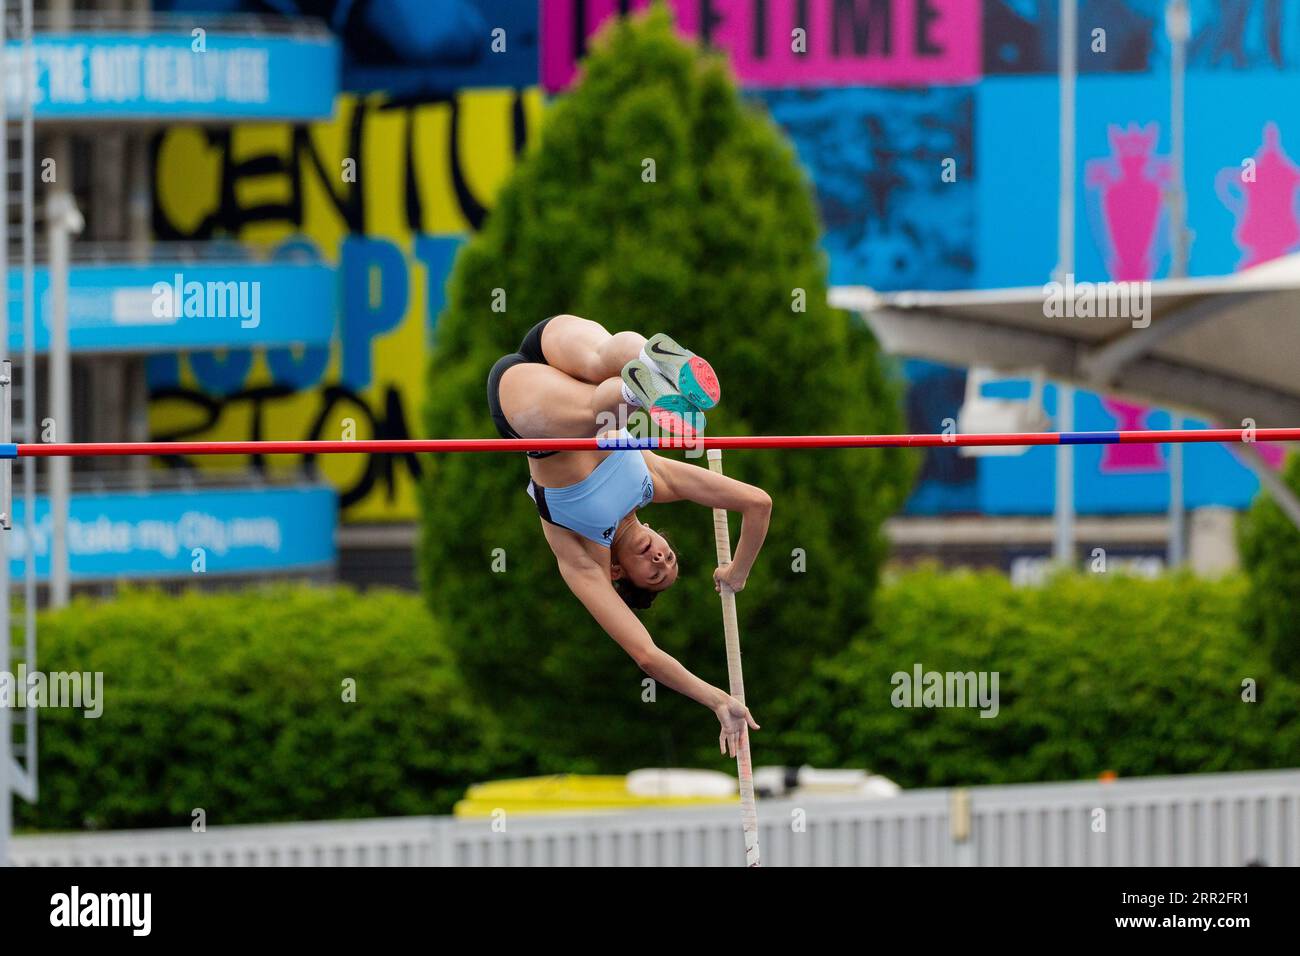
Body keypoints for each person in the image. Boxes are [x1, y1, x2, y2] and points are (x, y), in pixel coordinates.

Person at [486, 315, 771, 755]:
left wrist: (718, 700)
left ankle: (638, 387)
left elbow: (647, 655)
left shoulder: (584, 558)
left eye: (654, 574)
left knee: (593, 415)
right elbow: (758, 504)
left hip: (528, 407)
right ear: (662, 537)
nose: (660, 560)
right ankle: (655, 365)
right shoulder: (654, 480)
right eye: (669, 559)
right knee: (607, 356)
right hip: (552, 347)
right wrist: (738, 573)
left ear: (619, 571)